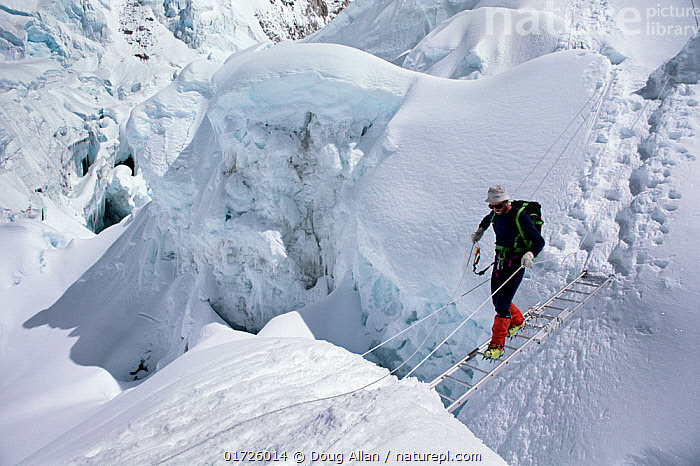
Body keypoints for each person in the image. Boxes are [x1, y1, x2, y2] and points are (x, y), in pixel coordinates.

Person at [471, 185, 545, 360]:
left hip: (516, 263)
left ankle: (497, 345)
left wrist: (530, 254)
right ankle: (518, 321)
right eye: (492, 206)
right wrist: (480, 231)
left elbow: (538, 241)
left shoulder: (520, 217)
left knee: (503, 304)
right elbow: (487, 220)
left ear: (506, 201)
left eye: (498, 206)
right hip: (500, 261)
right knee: (496, 298)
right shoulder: (496, 214)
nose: (495, 210)